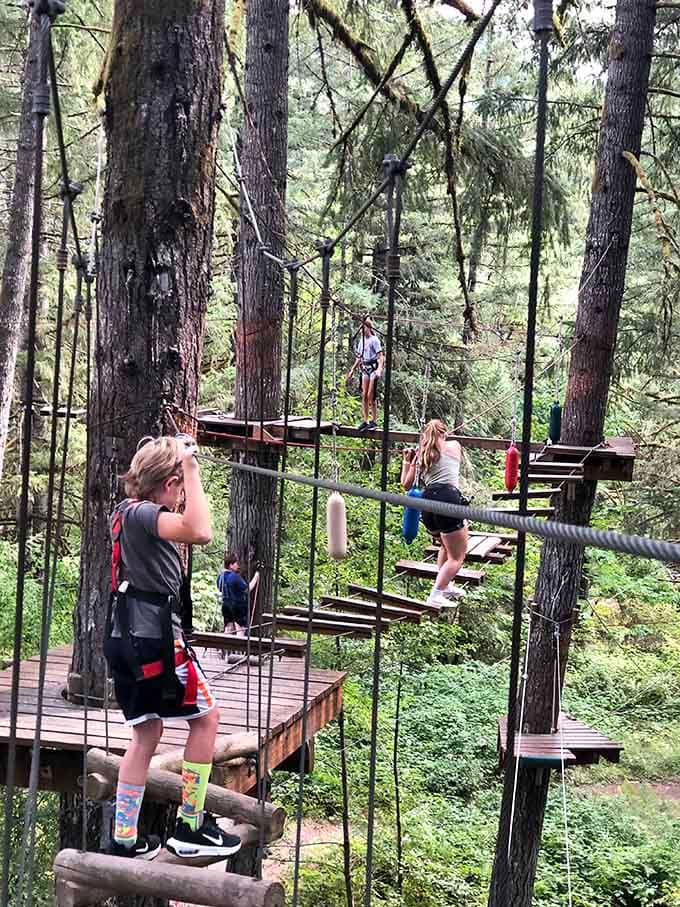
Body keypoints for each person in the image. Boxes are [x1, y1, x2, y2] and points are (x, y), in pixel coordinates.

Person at [104, 435, 242, 861]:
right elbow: (199, 530)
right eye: (179, 488)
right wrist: (192, 468)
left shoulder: (124, 513)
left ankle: (124, 835)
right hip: (155, 641)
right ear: (167, 483)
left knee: (147, 732)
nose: (182, 496)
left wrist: (184, 467)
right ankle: (190, 824)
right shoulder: (146, 514)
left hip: (125, 638)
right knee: (206, 720)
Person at [400, 419, 469, 606]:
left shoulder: (421, 455)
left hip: (428, 503)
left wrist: (408, 461)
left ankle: (445, 586)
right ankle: (436, 593)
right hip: (448, 499)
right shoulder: (454, 445)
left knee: (445, 547)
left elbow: (406, 484)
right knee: (458, 556)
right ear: (444, 433)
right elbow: (448, 451)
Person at [347, 317, 384, 431]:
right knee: (364, 396)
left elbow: (381, 356)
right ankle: (366, 420)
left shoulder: (374, 340)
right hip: (365, 368)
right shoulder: (362, 341)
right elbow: (359, 357)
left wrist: (379, 369)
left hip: (373, 369)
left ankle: (374, 421)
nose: (363, 330)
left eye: (364, 327)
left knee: (370, 395)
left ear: (369, 328)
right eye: (362, 328)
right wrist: (352, 370)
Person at [217, 553, 260, 637]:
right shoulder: (235, 577)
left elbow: (220, 589)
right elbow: (248, 589)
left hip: (226, 605)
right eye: (236, 563)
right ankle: (238, 648)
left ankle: (225, 647)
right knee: (240, 630)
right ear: (231, 565)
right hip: (238, 606)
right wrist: (256, 575)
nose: (238, 566)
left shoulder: (220, 577)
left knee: (228, 628)